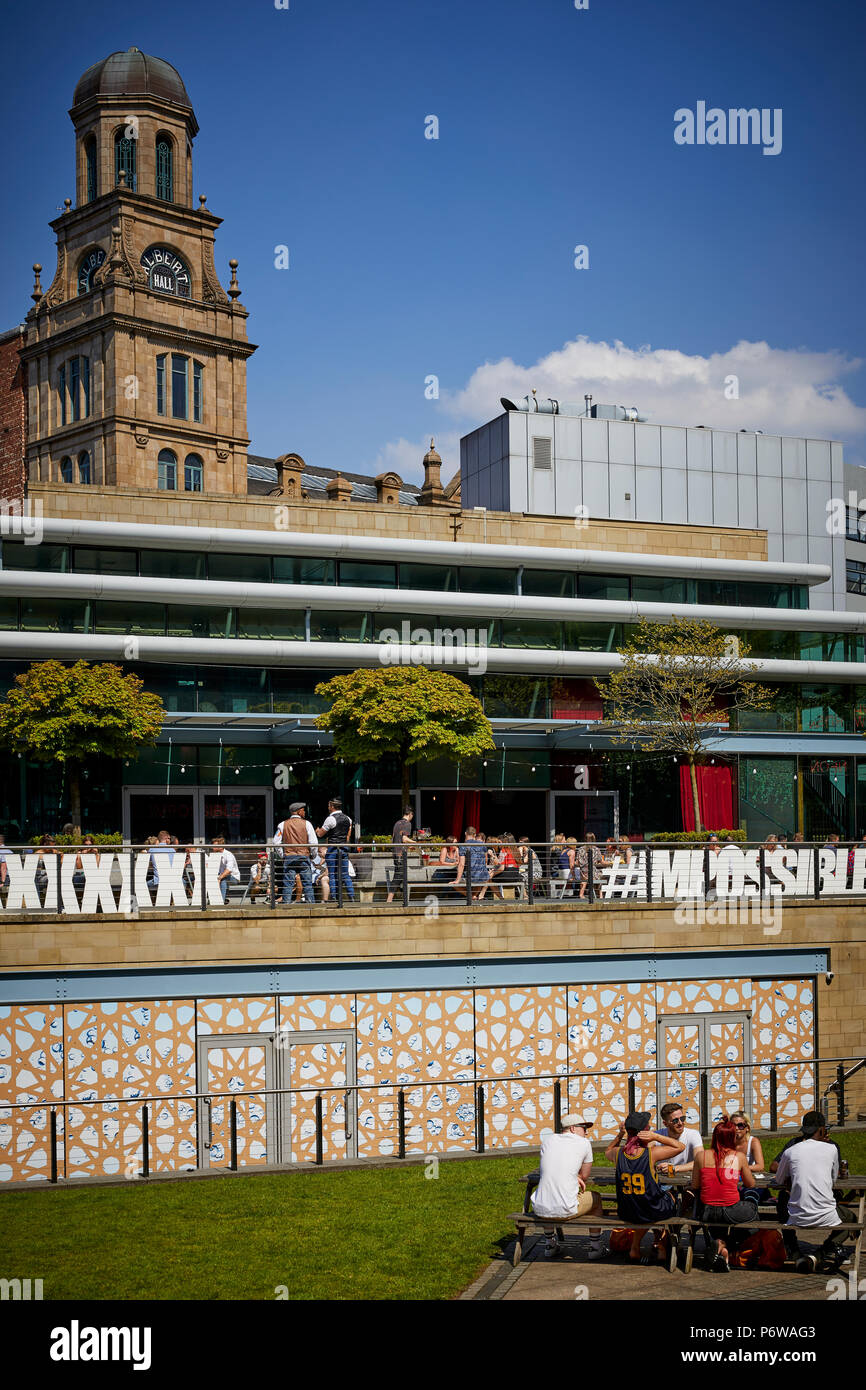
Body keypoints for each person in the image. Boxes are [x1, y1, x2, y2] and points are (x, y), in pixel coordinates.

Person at [772, 1110, 854, 1270]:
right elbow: (833, 1180)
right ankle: (818, 1256)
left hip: (795, 1217)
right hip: (826, 1215)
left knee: (783, 1199)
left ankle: (794, 1252)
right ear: (822, 1130)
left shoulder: (790, 1151)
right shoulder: (832, 1149)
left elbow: (779, 1180)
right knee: (852, 1219)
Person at [605, 1110, 684, 1264]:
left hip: (627, 1211)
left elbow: (607, 1150)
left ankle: (636, 1247)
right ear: (645, 1132)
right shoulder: (651, 1154)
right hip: (651, 1210)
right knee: (672, 1196)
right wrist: (657, 1137)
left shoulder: (618, 1154)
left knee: (647, 1204)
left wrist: (619, 1135)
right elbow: (680, 1146)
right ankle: (661, 1244)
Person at [690, 1116, 759, 1271]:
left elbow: (695, 1184)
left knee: (717, 1214)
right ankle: (725, 1243)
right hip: (730, 1210)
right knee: (754, 1210)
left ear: (714, 1137)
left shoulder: (701, 1156)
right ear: (732, 1137)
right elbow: (751, 1184)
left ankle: (723, 1253)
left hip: (706, 1211)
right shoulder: (739, 1157)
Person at [531, 1113, 604, 1258]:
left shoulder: (548, 1140)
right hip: (566, 1209)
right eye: (584, 1128)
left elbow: (551, 1167)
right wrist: (576, 1176)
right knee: (596, 1198)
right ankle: (595, 1248)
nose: (587, 1132)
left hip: (539, 1207)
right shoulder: (584, 1143)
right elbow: (585, 1175)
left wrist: (571, 1175)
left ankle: (550, 1244)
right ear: (572, 1128)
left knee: (549, 1195)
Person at [274, 803, 315, 904]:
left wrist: (282, 855)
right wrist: (313, 855)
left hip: (289, 857)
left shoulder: (282, 824)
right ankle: (311, 905)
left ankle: (286, 905)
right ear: (299, 811)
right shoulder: (307, 824)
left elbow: (276, 842)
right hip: (304, 856)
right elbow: (313, 842)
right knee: (307, 884)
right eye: (303, 810)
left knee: (288, 883)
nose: (304, 812)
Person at [316, 798, 354, 902]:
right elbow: (347, 837)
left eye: (329, 806)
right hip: (344, 848)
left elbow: (320, 834)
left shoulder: (330, 819)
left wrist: (317, 830)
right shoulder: (348, 819)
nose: (328, 808)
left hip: (333, 849)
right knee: (345, 874)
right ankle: (352, 897)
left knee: (332, 874)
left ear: (332, 807)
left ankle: (334, 897)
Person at [386, 806, 415, 903]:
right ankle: (389, 899)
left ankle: (404, 898)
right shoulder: (407, 824)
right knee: (399, 875)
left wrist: (407, 846)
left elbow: (395, 838)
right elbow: (404, 839)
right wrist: (415, 843)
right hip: (400, 853)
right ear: (410, 814)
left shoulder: (397, 823)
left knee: (402, 875)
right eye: (412, 815)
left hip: (395, 851)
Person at [452, 827, 489, 901]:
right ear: (475, 835)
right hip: (483, 876)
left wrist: (457, 880)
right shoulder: (482, 844)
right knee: (479, 880)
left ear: (465, 833)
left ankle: (471, 896)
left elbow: (461, 864)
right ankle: (474, 896)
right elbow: (485, 859)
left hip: (470, 877)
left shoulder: (463, 846)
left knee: (454, 885)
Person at [577, 832, 605, 902]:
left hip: (583, 871)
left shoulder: (581, 849)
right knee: (600, 875)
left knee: (587, 874)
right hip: (592, 872)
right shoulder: (596, 849)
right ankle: (600, 895)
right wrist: (611, 863)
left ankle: (581, 894)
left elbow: (577, 862)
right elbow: (601, 862)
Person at [212, 836, 240, 903]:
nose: (212, 847)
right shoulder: (215, 855)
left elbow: (228, 870)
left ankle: (221, 901)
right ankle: (213, 899)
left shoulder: (228, 854)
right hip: (222, 876)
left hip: (234, 877)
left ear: (221, 847)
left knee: (223, 879)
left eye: (214, 845)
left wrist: (219, 878)